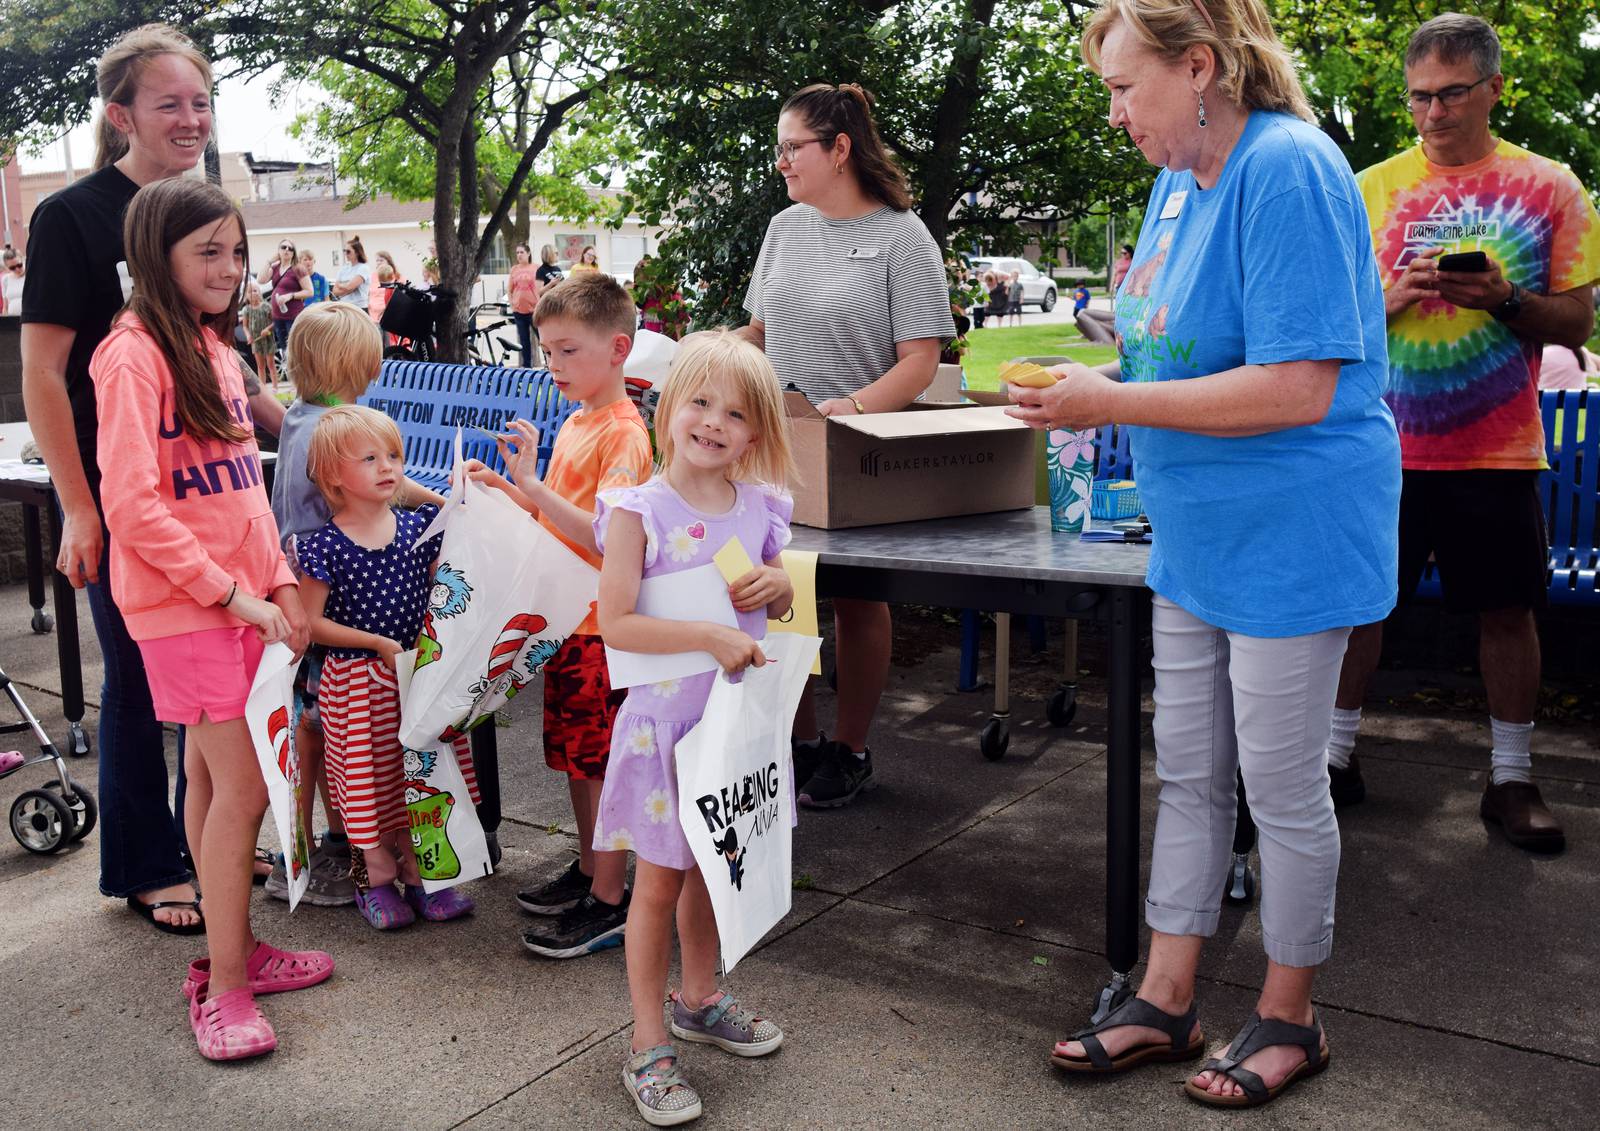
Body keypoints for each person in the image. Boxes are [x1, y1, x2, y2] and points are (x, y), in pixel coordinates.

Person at [1017, 0, 1399, 1108]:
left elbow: (1300, 383)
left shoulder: (1289, 170)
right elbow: (1167, 343)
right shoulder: (1177, 179)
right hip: (1196, 535)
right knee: (1188, 772)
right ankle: (1165, 996)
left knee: (1278, 789)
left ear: (1200, 67)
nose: (1114, 112)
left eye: (1125, 87)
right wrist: (1076, 381)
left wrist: (1114, 396)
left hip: (1291, 533)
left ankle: (1290, 1017)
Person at [21, 22, 283, 934]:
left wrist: (311, 427)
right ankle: (145, 863)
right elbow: (44, 372)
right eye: (168, 102)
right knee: (138, 674)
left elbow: (229, 366)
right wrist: (80, 507)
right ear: (120, 114)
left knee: (213, 684)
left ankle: (209, 834)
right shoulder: (72, 216)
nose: (189, 117)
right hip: (124, 497)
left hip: (208, 492)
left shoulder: (200, 210)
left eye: (201, 102)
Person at [1331, 13, 1599, 850]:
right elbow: (1320, 325)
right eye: (1420, 97)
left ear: (1493, 89)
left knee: (1508, 610)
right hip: (1381, 444)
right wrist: (1389, 299)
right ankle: (1334, 763)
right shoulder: (1364, 188)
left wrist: (1506, 300)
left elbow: (1576, 323)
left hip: (1497, 446)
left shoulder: (1550, 185)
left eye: (1452, 94)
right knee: (1357, 609)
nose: (1434, 113)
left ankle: (1512, 778)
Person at [90, 176, 328, 1060]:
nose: (230, 269)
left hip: (238, 602)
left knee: (209, 780)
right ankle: (226, 985)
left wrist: (281, 585)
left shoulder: (214, 350)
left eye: (236, 252)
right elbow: (133, 505)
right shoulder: (132, 354)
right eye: (209, 253)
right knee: (247, 787)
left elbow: (245, 494)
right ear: (160, 255)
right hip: (187, 610)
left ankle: (238, 951)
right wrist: (234, 597)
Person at [592, 330, 796, 1126]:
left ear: (756, 432)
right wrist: (708, 637)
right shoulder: (639, 511)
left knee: (716, 869)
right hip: (661, 730)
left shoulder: (762, 507)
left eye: (736, 413)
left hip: (732, 728)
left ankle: (700, 995)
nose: (714, 422)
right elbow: (615, 624)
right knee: (658, 885)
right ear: (668, 406)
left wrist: (780, 588)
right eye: (701, 403)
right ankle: (648, 1044)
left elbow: (779, 609)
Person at [740, 82, 955, 808]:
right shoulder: (783, 229)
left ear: (839, 149)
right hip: (777, 446)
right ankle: (798, 745)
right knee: (783, 596)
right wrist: (704, 355)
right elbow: (759, 335)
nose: (780, 162)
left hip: (862, 448)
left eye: (791, 147)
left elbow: (921, 358)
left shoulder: (902, 235)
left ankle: (851, 748)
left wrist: (854, 406)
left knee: (858, 604)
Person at [465, 272, 654, 958]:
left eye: (568, 350)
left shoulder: (626, 434)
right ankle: (590, 868)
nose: (554, 366)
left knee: (598, 764)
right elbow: (556, 517)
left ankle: (610, 897)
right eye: (548, 352)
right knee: (578, 761)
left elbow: (609, 535)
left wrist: (533, 487)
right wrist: (508, 490)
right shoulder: (578, 420)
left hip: (602, 627)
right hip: (569, 624)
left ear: (617, 349)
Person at [263, 302, 449, 907]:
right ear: (350, 366)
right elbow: (384, 488)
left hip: (310, 585)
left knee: (318, 725)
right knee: (330, 728)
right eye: (367, 364)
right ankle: (342, 842)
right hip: (333, 594)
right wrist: (446, 502)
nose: (374, 374)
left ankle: (334, 839)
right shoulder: (330, 428)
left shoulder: (299, 416)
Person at [296, 405, 477, 929]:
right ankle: (371, 881)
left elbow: (458, 533)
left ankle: (425, 879)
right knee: (365, 786)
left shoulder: (417, 528)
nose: (388, 467)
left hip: (415, 678)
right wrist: (375, 642)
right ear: (332, 476)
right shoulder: (324, 546)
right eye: (370, 458)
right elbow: (311, 623)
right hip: (356, 686)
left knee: (416, 777)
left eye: (394, 456)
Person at [258, 238, 310, 355]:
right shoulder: (275, 267)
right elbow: (260, 280)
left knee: (295, 350)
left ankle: (296, 373)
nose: (287, 250)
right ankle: (287, 373)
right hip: (278, 317)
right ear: (278, 251)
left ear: (293, 253)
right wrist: (269, 262)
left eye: (290, 248)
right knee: (284, 351)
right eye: (283, 247)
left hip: (293, 316)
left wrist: (290, 296)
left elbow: (309, 291)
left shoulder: (298, 268)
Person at [507, 243, 541, 367]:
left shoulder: (536, 268)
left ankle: (549, 364)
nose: (519, 255)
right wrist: (512, 304)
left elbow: (541, 288)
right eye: (517, 253)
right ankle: (527, 367)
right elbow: (510, 289)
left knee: (542, 338)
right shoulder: (514, 269)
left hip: (534, 310)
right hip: (519, 311)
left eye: (522, 252)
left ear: (528, 253)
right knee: (524, 341)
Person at [242, 282, 276, 388]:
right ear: (246, 295)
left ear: (259, 292)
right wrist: (248, 335)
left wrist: (267, 329)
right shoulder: (246, 310)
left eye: (255, 290)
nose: (253, 293)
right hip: (256, 341)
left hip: (268, 339)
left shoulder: (266, 306)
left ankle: (275, 387)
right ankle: (263, 387)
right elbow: (245, 326)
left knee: (270, 364)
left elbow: (275, 322)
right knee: (260, 366)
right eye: (249, 292)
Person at [329, 235, 371, 309]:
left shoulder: (363, 268)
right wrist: (348, 287)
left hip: (359, 307)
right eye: (344, 251)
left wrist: (341, 285)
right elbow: (335, 291)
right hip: (344, 306)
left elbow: (349, 287)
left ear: (357, 252)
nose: (345, 254)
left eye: (348, 251)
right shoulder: (343, 269)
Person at [1, 248, 23, 314]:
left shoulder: (31, 276)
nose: (17, 269)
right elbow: (5, 306)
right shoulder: (5, 279)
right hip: (12, 320)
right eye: (12, 268)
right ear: (7, 267)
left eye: (19, 265)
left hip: (29, 320)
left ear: (22, 259)